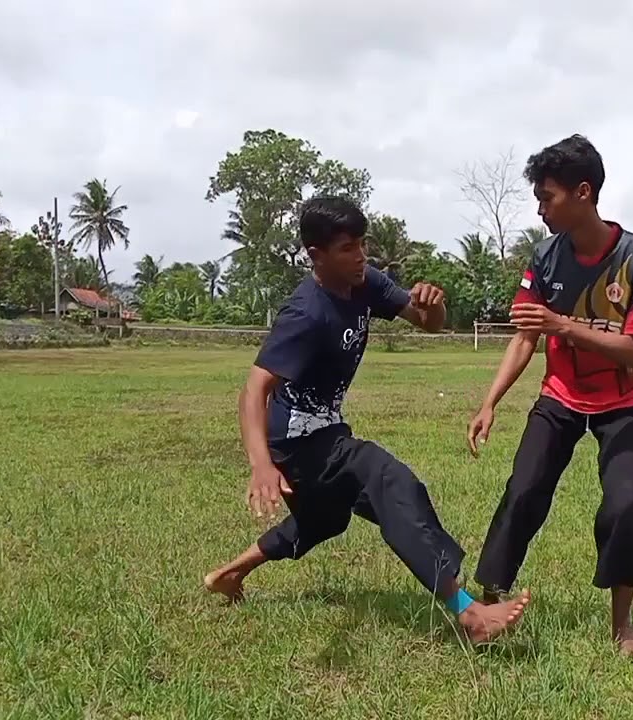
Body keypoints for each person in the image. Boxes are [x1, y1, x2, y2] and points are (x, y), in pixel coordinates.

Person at [205, 195, 530, 644]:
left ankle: (230, 573)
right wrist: (261, 464)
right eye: (347, 248)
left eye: (362, 244)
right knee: (389, 481)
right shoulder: (305, 313)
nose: (360, 256)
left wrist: (432, 303)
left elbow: (428, 323)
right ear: (317, 256)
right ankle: (470, 613)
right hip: (296, 444)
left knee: (325, 520)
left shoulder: (365, 283)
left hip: (327, 431)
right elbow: (254, 388)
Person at [467, 134, 633, 657]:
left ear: (583, 192)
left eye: (547, 197)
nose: (540, 208)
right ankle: (487, 607)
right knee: (524, 490)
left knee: (628, 504)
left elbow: (631, 351)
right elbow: (526, 336)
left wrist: (563, 323)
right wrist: (490, 403)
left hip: (623, 401)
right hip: (561, 396)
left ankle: (622, 630)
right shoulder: (546, 257)